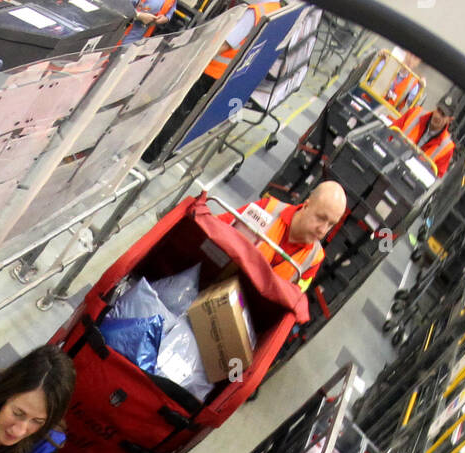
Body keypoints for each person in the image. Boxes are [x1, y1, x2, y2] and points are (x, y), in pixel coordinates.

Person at [143, 1, 283, 161]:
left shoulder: (255, 13)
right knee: (188, 115)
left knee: (179, 111)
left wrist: (192, 59)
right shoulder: (276, 9)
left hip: (211, 70)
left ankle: (151, 153)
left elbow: (223, 45)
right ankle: (163, 151)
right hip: (227, 74)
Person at [229, 180, 347, 291]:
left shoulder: (314, 259)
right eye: (321, 218)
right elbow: (218, 228)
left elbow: (292, 301)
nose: (322, 230)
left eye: (331, 224)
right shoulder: (267, 209)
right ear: (306, 205)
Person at [391, 96, 457, 178]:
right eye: (438, 110)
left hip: (408, 179)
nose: (437, 116)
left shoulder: (447, 148)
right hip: (390, 156)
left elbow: (434, 178)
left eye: (443, 115)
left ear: (450, 120)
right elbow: (390, 132)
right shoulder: (415, 113)